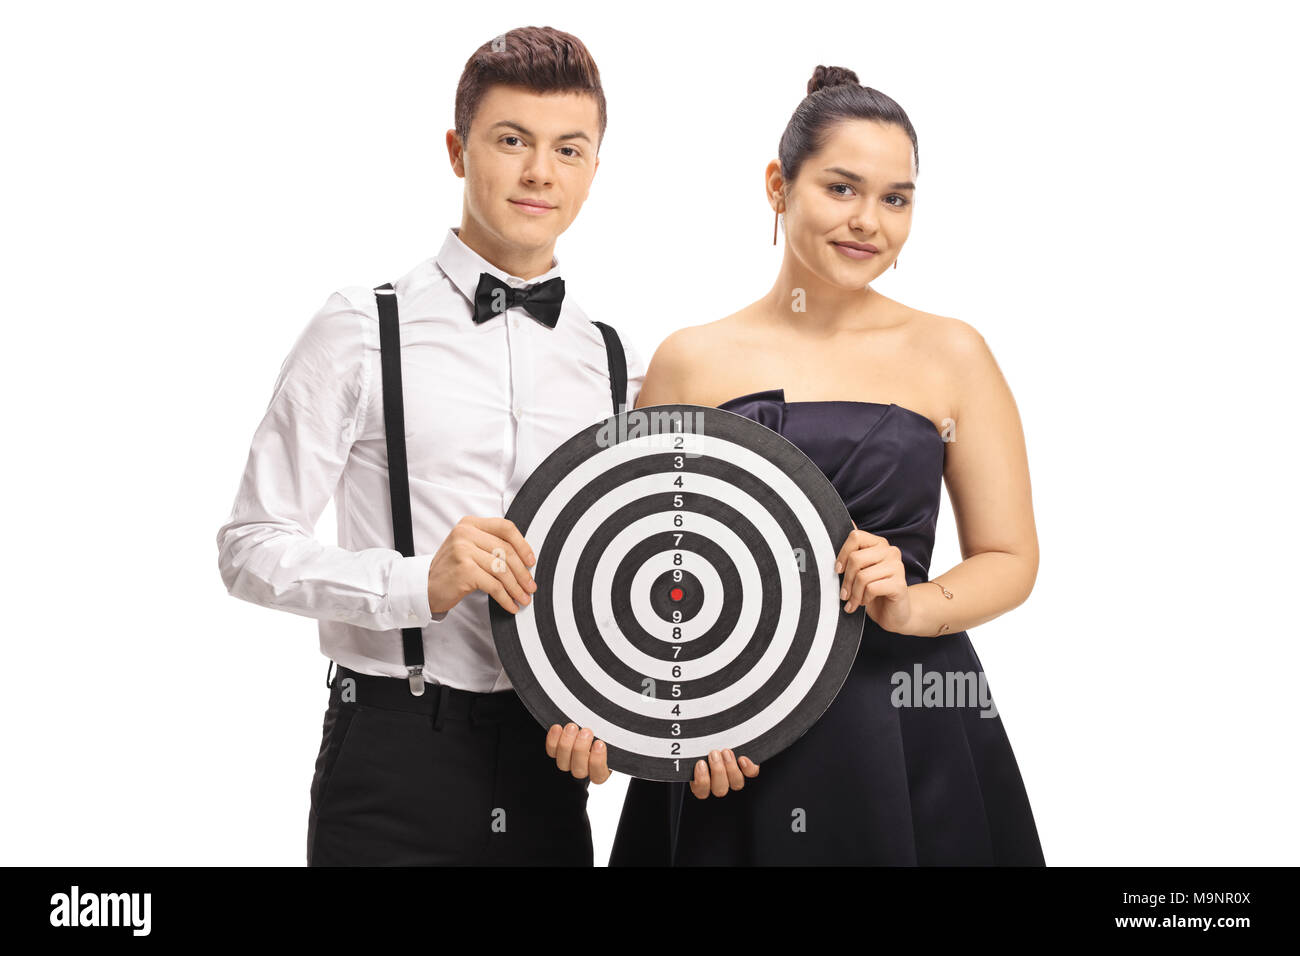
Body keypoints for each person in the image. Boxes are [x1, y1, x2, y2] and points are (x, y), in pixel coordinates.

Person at [215, 26, 645, 866]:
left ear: (595, 168)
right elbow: (247, 547)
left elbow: (620, 571)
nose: (538, 173)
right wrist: (417, 583)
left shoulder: (612, 360)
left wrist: (616, 711)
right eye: (511, 140)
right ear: (457, 150)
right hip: (391, 754)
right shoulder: (359, 327)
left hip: (545, 767)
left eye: (568, 149)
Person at [608, 65, 1046, 866]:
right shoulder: (688, 360)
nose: (869, 222)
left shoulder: (953, 352)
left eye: (895, 198)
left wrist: (911, 605)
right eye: (842, 189)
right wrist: (678, 719)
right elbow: (631, 582)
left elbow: (1012, 559)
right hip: (731, 734)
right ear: (779, 185)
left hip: (905, 714)